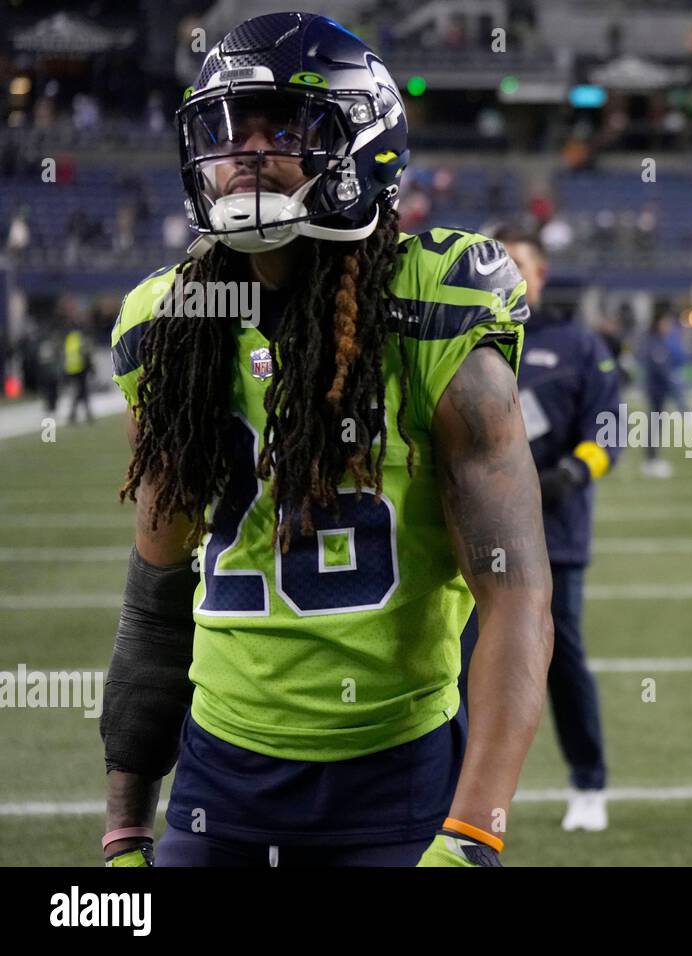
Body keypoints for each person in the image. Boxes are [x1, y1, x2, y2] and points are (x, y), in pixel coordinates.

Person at [100, 12, 552, 869]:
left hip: (395, 779)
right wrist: (125, 830)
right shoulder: (168, 327)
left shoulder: (435, 311)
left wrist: (475, 833)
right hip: (217, 778)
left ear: (363, 144)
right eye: (229, 127)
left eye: (284, 124)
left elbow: (517, 598)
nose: (247, 149)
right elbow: (155, 599)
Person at [495, 229, 621, 831]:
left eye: (519, 263)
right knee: (460, 665)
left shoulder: (578, 343)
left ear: (541, 275)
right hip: (473, 535)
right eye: (497, 261)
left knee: (560, 659)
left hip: (554, 535)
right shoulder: (464, 337)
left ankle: (588, 782)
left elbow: (609, 434)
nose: (509, 273)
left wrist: (573, 471)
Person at [636, 313, 686, 478]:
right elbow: (661, 369)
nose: (669, 327)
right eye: (666, 323)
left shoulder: (659, 341)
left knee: (656, 424)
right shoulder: (655, 343)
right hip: (656, 390)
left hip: (658, 390)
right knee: (654, 424)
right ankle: (651, 460)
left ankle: (652, 458)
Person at [63, 310, 94, 425]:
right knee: (82, 392)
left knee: (81, 392)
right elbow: (85, 354)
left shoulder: (69, 339)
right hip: (81, 369)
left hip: (72, 369)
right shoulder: (80, 338)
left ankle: (80, 414)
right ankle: (77, 414)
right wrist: (91, 366)